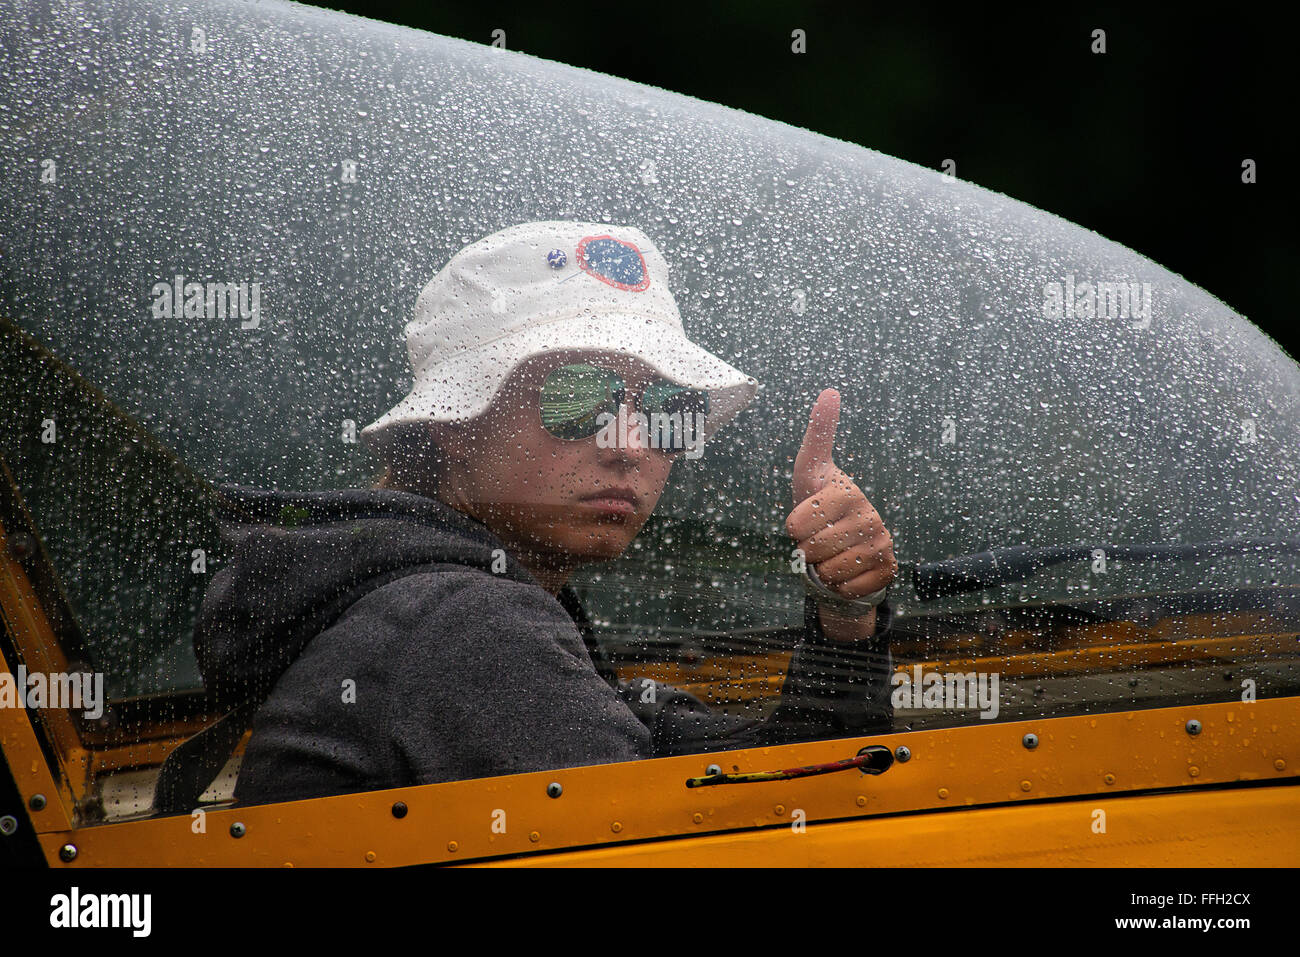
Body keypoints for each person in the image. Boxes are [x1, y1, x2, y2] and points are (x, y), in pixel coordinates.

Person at [192, 221, 897, 806]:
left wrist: (845, 616)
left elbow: (804, 793)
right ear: (453, 424)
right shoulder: (467, 622)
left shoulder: (459, 600)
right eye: (576, 398)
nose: (629, 446)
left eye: (666, 410)